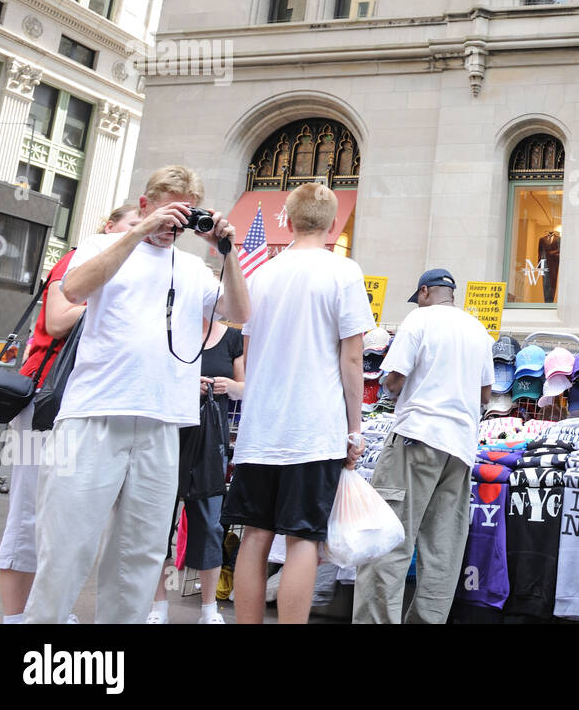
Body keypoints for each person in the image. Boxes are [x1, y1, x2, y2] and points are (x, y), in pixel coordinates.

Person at [24, 168, 247, 624]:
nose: (173, 225)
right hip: (94, 414)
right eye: (168, 211)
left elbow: (241, 313)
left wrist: (227, 253)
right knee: (65, 544)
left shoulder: (191, 267)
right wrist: (140, 232)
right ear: (145, 205)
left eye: (183, 215)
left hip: (164, 421)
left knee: (140, 554)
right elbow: (74, 289)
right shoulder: (103, 246)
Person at [224, 182, 374, 625]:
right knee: (303, 539)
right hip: (313, 429)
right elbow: (352, 357)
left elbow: (249, 355)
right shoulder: (343, 272)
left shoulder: (262, 273)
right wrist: (355, 428)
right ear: (332, 224)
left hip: (261, 428)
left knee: (254, 534)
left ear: (286, 220)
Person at [0, 205, 140, 624]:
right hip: (42, 402)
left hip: (75, 406)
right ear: (109, 227)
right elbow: (58, 320)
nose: (138, 234)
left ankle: (48, 611)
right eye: (132, 225)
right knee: (28, 512)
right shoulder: (76, 260)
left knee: (63, 516)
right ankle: (16, 617)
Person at [352, 267, 494, 624]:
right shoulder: (478, 330)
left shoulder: (419, 320)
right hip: (459, 448)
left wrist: (389, 385)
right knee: (442, 547)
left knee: (389, 539)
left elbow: (395, 380)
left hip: (417, 437)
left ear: (426, 292)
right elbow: (486, 394)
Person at [147, 318, 244, 625]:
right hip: (167, 434)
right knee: (156, 525)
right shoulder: (169, 332)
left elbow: (246, 386)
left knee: (210, 525)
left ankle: (208, 609)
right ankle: (157, 605)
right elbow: (151, 378)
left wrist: (229, 386)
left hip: (211, 439)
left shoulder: (232, 338)